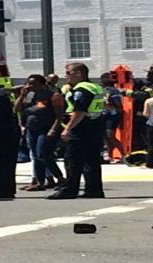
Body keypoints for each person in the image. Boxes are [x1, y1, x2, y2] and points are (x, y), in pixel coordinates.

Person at [48, 62, 104, 200]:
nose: (66, 76)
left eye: (68, 72)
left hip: (81, 128)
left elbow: (80, 111)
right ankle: (94, 189)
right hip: (94, 126)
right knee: (91, 160)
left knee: (72, 159)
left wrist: (67, 129)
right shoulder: (95, 87)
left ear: (79, 73)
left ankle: (69, 190)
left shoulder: (82, 89)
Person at [19, 74, 64, 191]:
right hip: (32, 129)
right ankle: (40, 182)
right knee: (35, 156)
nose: (30, 86)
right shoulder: (30, 96)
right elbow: (17, 108)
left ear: (42, 84)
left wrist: (53, 129)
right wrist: (22, 95)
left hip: (46, 129)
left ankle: (60, 178)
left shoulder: (53, 96)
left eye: (33, 84)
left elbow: (59, 116)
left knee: (42, 154)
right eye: (28, 83)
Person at [99, 72, 127, 164]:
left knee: (110, 136)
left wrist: (108, 105)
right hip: (105, 115)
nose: (101, 81)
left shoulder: (112, 91)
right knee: (107, 137)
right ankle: (110, 156)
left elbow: (119, 105)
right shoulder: (103, 90)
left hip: (112, 116)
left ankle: (123, 155)